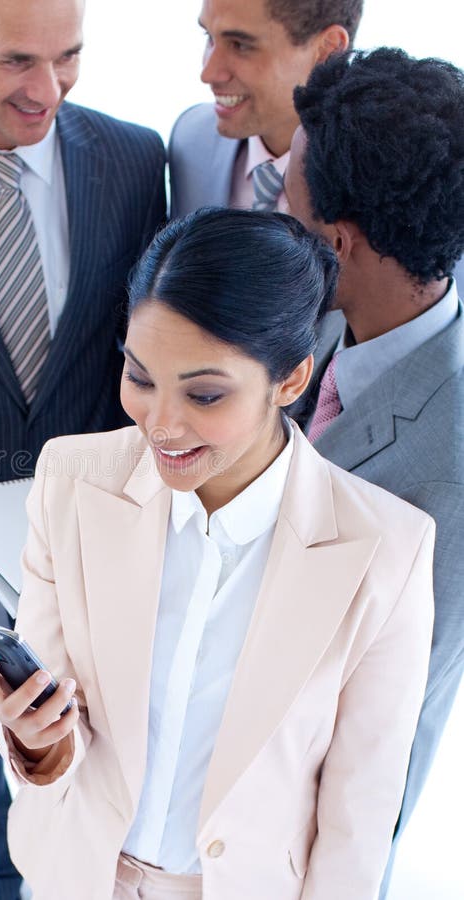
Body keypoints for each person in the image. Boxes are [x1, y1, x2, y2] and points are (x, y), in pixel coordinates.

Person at [0, 208, 436, 900]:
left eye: (205, 393)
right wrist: (35, 738)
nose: (160, 422)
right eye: (139, 376)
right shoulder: (72, 480)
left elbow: (357, 812)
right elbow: (60, 737)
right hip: (79, 878)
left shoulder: (384, 549)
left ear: (290, 380)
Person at [0, 0, 166, 894]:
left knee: (112, 813)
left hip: (107, 576)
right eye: (17, 61)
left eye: (70, 58)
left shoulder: (132, 161)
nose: (47, 90)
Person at [284, 47, 464, 897]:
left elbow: (390, 715)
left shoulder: (456, 463)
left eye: (292, 218)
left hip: (316, 828)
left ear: (340, 243)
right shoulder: (329, 325)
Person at [168, 0, 359, 219]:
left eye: (240, 45)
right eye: (209, 37)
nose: (208, 73)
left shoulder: (378, 181)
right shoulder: (190, 141)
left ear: (329, 49)